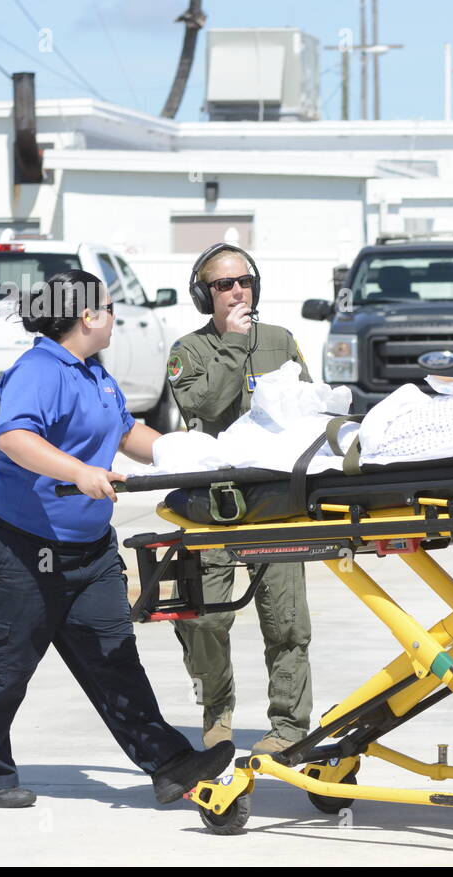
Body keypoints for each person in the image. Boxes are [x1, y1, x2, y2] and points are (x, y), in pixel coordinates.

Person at [0, 270, 234, 809]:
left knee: (114, 658)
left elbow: (127, 432)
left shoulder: (93, 373)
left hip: (88, 551)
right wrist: (80, 470)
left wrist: (188, 456)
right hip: (17, 548)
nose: (115, 316)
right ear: (87, 317)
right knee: (2, 666)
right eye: (109, 307)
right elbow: (15, 436)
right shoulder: (38, 369)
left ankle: (170, 764)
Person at [166, 243, 315, 755]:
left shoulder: (281, 341)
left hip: (277, 505)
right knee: (205, 617)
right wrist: (232, 345)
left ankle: (291, 727)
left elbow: (307, 410)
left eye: (244, 281)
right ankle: (217, 706)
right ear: (204, 295)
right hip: (215, 507)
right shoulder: (188, 350)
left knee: (287, 623)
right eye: (224, 284)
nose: (237, 291)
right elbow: (202, 403)